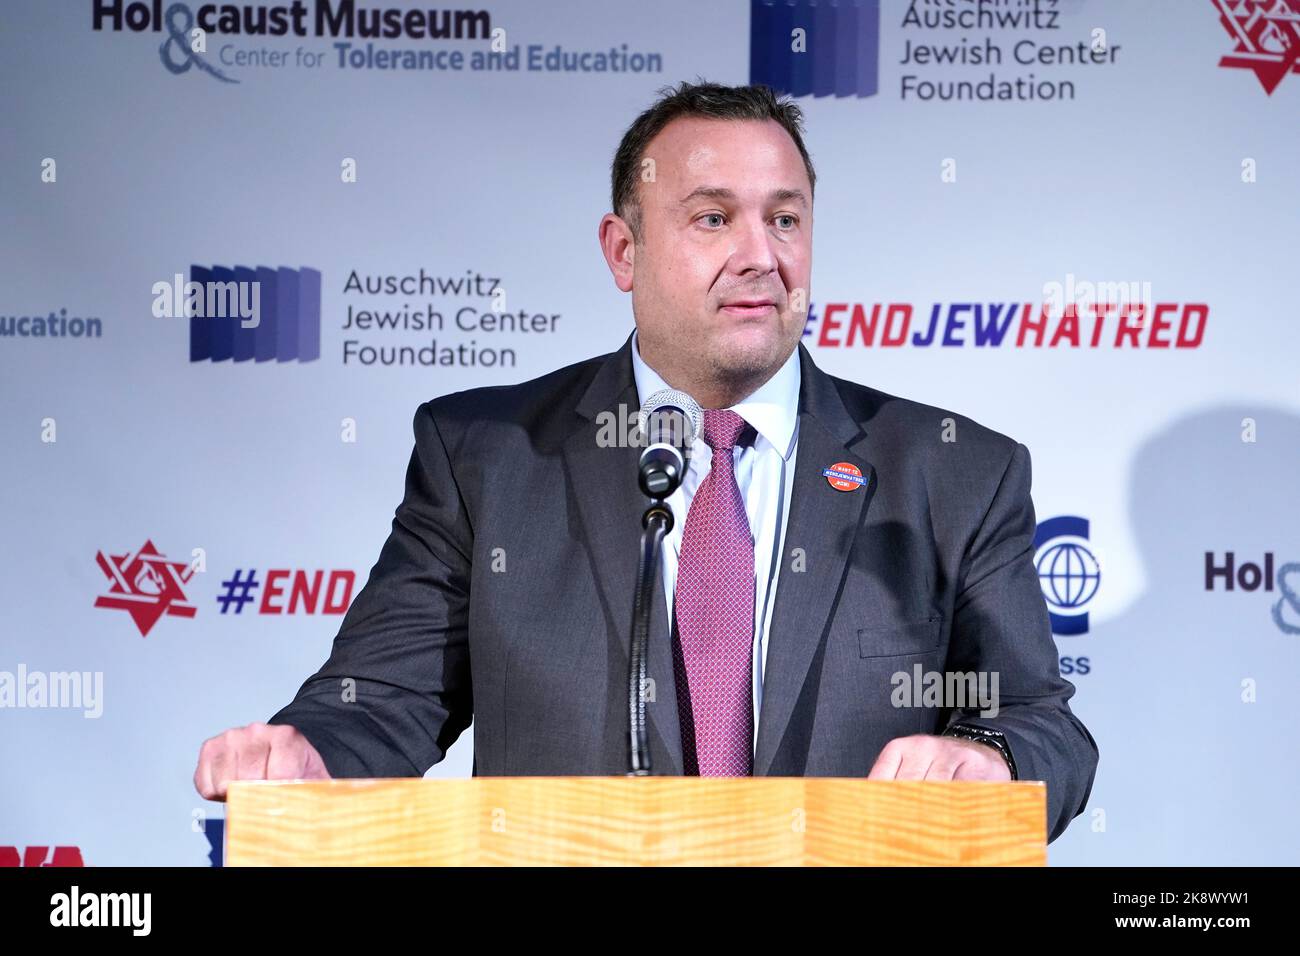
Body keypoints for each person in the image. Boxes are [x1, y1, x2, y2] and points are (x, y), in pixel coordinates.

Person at [194, 80, 1098, 843]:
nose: (762, 256)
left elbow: (1041, 726)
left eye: (786, 219)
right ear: (622, 251)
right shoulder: (485, 457)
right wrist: (308, 751)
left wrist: (992, 758)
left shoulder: (954, 472)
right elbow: (386, 696)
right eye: (714, 218)